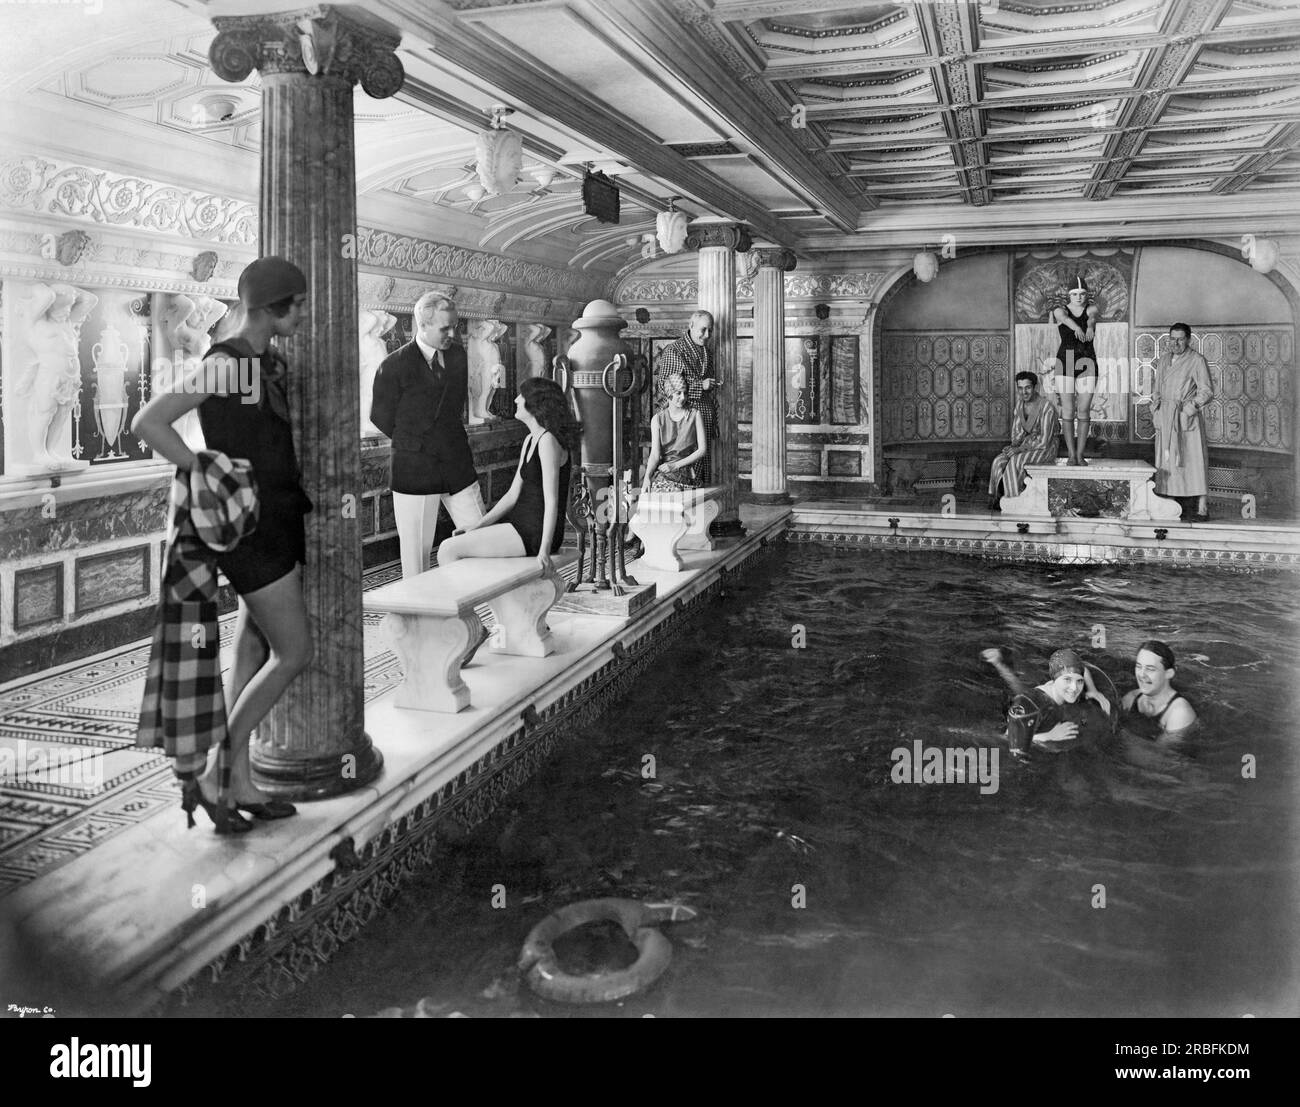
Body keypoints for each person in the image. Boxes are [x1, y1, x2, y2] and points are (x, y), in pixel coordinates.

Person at [133, 256, 313, 833]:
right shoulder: (227, 363)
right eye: (298, 304)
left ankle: (237, 780)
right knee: (295, 653)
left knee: (254, 647)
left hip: (276, 516)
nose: (303, 313)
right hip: (250, 526)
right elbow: (150, 421)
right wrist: (207, 472)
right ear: (269, 306)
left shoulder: (265, 362)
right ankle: (217, 773)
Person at [370, 293, 484, 578]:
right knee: (416, 557)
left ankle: (500, 621)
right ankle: (418, 622)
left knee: (483, 542)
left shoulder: (458, 355)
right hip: (414, 466)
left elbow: (455, 403)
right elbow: (380, 416)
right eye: (445, 328)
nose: (452, 333)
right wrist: (414, 442)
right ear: (423, 324)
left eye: (454, 326)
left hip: (456, 462)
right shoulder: (393, 365)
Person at [437, 377, 581, 576]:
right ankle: (478, 603)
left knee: (448, 549)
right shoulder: (532, 439)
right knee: (452, 548)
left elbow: (552, 501)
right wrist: (476, 527)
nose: (516, 400)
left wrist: (544, 550)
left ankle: (468, 607)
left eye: (521, 395)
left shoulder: (548, 441)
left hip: (534, 532)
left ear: (535, 403)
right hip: (520, 526)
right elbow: (512, 496)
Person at [19, 282, 98, 470]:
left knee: (62, 413)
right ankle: (39, 453)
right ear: (50, 305)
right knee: (44, 412)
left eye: (69, 307)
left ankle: (51, 451)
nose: (67, 311)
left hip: (70, 376)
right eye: (62, 306)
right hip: (49, 374)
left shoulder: (68, 322)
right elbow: (46, 295)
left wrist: (68, 291)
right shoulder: (35, 321)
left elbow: (91, 300)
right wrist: (53, 289)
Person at [983, 647, 1113, 755]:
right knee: (1024, 696)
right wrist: (1049, 736)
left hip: (1041, 698)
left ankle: (998, 662)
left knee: (1025, 692)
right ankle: (997, 663)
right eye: (1067, 679)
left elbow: (1082, 667)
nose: (1074, 688)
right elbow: (1007, 738)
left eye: (1079, 681)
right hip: (1024, 708)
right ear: (1054, 679)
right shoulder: (1035, 704)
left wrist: (1093, 690)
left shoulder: (1065, 687)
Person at [1145, 323, 1213, 521]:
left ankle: (1202, 506)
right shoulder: (1164, 360)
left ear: (1189, 339)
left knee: (1194, 459)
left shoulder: (1197, 360)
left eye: (1180, 339)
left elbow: (1206, 391)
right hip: (1165, 416)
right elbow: (1156, 389)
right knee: (1167, 462)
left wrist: (1189, 409)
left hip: (1184, 417)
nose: (1175, 343)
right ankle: (1169, 504)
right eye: (1172, 339)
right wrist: (1155, 409)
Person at [654, 310, 717, 483]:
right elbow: (664, 385)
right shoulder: (675, 350)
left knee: (702, 472)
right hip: (684, 421)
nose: (707, 335)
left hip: (704, 418)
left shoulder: (707, 353)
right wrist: (700, 386)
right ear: (691, 326)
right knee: (686, 473)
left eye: (710, 330)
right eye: (703, 330)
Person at [987, 371, 1059, 509]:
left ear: (1035, 388)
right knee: (999, 460)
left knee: (1016, 460)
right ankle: (996, 497)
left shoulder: (1046, 407)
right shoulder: (1019, 406)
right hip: (1027, 446)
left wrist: (1019, 450)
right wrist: (1013, 447)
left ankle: (1013, 500)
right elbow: (1017, 435)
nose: (1023, 392)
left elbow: (1044, 441)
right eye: (1020, 388)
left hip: (1046, 448)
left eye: (1027, 388)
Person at [1052, 275, 1100, 466]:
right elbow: (1063, 319)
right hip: (1066, 361)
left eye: (1082, 294)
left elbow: (1091, 318)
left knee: (1084, 410)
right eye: (1075, 294)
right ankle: (1071, 455)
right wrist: (1076, 328)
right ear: (1068, 295)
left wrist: (1089, 326)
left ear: (1086, 294)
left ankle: (1080, 454)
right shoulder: (1059, 310)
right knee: (1068, 410)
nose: (1079, 297)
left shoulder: (1091, 308)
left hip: (1087, 361)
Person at [642, 372, 707, 493]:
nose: (683, 397)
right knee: (652, 495)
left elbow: (702, 450)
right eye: (678, 393)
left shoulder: (695, 415)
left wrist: (675, 466)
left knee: (666, 495)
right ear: (669, 394)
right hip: (665, 472)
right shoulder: (657, 419)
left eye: (685, 393)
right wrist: (647, 477)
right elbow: (655, 455)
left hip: (687, 472)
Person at [1121, 640, 1197, 739]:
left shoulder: (1180, 713)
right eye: (1139, 667)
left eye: (1150, 669)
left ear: (1169, 673)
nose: (1142, 675)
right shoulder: (1130, 699)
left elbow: (1162, 753)